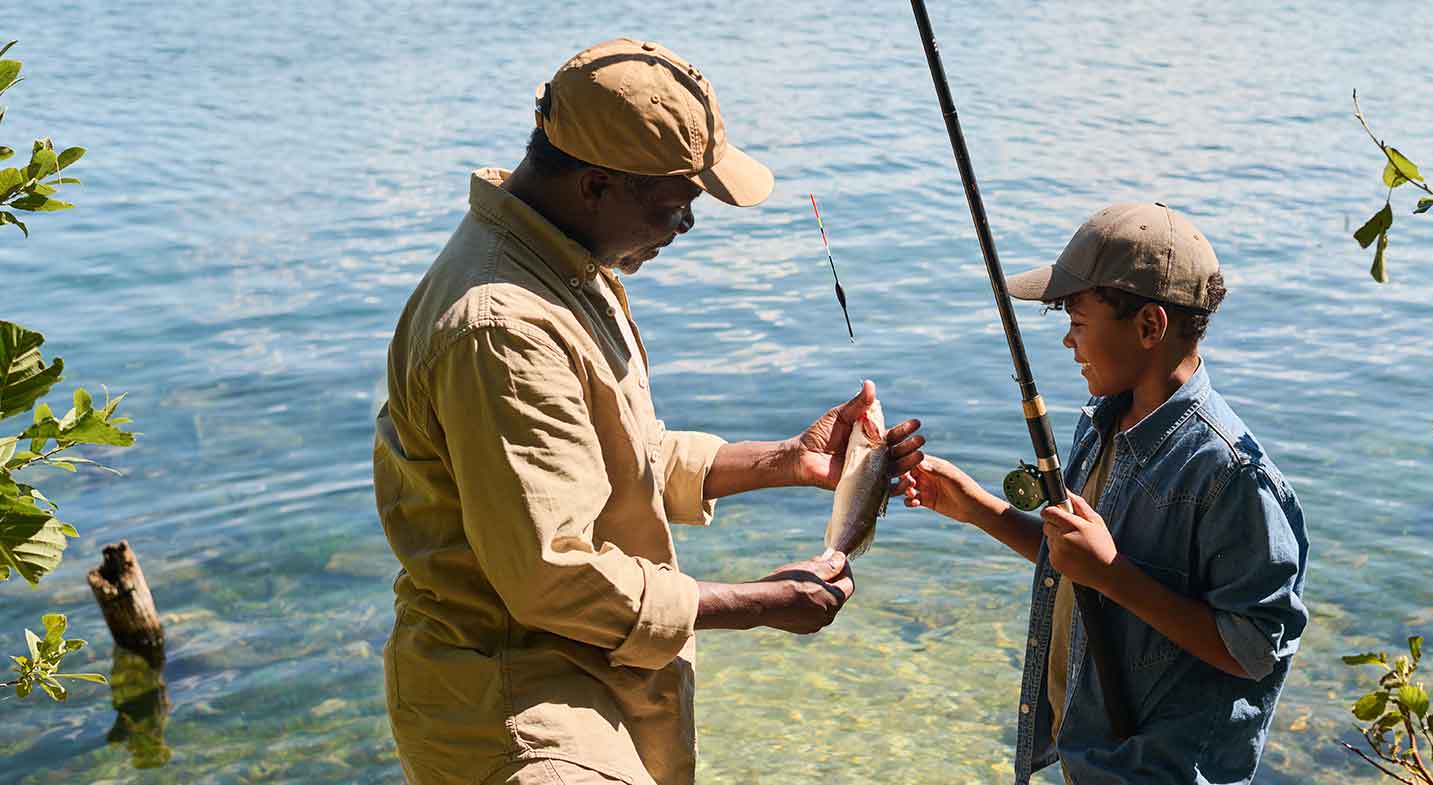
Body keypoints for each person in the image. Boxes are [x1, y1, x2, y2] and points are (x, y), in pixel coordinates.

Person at [371, 39, 924, 785]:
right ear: (597, 184)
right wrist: (765, 602)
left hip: (583, 686)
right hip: (519, 718)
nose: (682, 231)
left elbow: (623, 460)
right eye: (676, 208)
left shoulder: (563, 264)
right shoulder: (503, 326)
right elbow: (553, 576)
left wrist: (790, 460)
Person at [906, 203, 1308, 784]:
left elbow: (1253, 649)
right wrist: (978, 510)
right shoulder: (1101, 420)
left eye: (1078, 320)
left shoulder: (1231, 474)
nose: (1069, 341)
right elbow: (1077, 561)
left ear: (1149, 327)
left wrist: (1113, 573)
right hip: (1089, 760)